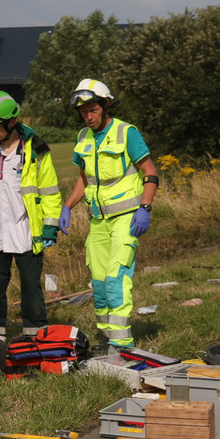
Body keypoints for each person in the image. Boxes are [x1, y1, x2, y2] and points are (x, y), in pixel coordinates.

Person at [60, 79, 159, 352]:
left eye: (92, 110)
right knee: (100, 282)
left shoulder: (127, 133)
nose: (88, 117)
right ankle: (106, 340)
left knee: (116, 278)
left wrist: (145, 208)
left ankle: (122, 345)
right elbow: (85, 179)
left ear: (105, 106)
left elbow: (150, 173)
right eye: (83, 113)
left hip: (127, 218)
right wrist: (67, 206)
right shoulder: (83, 137)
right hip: (98, 221)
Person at [0, 91, 62, 339]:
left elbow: (50, 191)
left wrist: (50, 226)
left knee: (31, 286)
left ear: (11, 122)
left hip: (26, 230)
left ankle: (36, 337)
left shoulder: (36, 149)